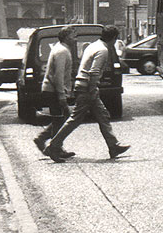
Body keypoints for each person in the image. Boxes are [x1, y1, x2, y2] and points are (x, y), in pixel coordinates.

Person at [45, 25, 130, 162]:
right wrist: (93, 89)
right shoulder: (103, 50)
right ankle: (53, 146)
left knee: (103, 115)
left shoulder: (93, 45)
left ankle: (113, 146)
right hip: (87, 88)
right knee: (75, 119)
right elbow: (94, 72)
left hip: (83, 85)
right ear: (114, 38)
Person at [32, 26, 78, 157]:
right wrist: (61, 95)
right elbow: (58, 75)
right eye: (73, 36)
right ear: (66, 37)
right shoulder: (61, 51)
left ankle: (46, 141)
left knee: (62, 119)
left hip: (54, 90)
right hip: (53, 91)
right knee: (60, 119)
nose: (75, 39)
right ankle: (54, 148)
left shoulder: (61, 49)